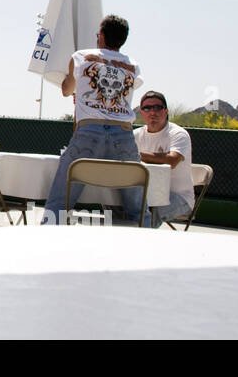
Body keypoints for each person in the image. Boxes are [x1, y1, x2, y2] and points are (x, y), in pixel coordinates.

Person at [42, 14, 149, 226]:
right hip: (124, 136)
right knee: (139, 209)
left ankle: (47, 242)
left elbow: (66, 90)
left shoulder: (81, 56)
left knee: (59, 203)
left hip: (89, 133)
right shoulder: (133, 65)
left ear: (100, 35)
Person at [133, 90, 194, 227]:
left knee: (149, 210)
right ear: (141, 113)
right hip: (146, 195)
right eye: (147, 108)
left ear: (166, 111)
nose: (152, 112)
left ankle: (143, 244)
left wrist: (136, 154)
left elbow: (172, 161)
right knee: (115, 203)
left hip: (179, 198)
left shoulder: (178, 134)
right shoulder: (135, 135)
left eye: (157, 107)